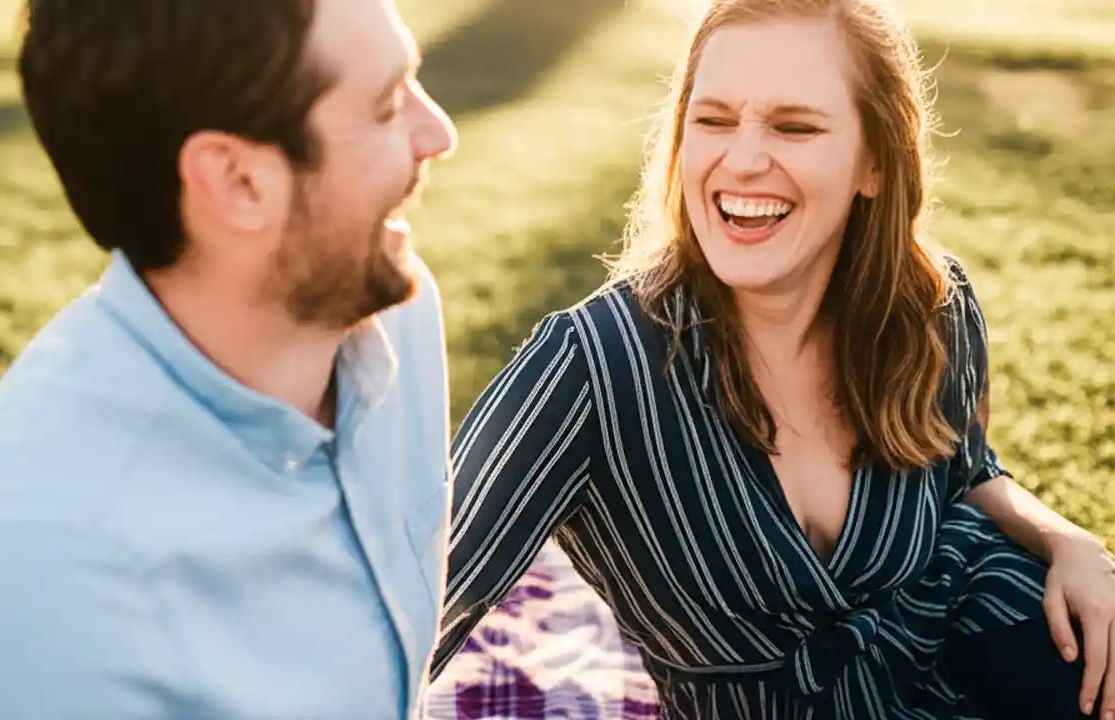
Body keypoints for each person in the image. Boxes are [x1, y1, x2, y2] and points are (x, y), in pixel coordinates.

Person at [430, 0, 1115, 718]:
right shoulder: (587, 368)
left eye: (796, 127)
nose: (745, 159)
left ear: (873, 164)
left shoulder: (929, 309)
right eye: (715, 120)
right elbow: (419, 602)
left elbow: (965, 471)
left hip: (980, 639)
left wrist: (1068, 543)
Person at [0, 0, 457, 717]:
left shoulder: (391, 318)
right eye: (389, 104)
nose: (439, 133)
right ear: (237, 181)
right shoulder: (20, 605)